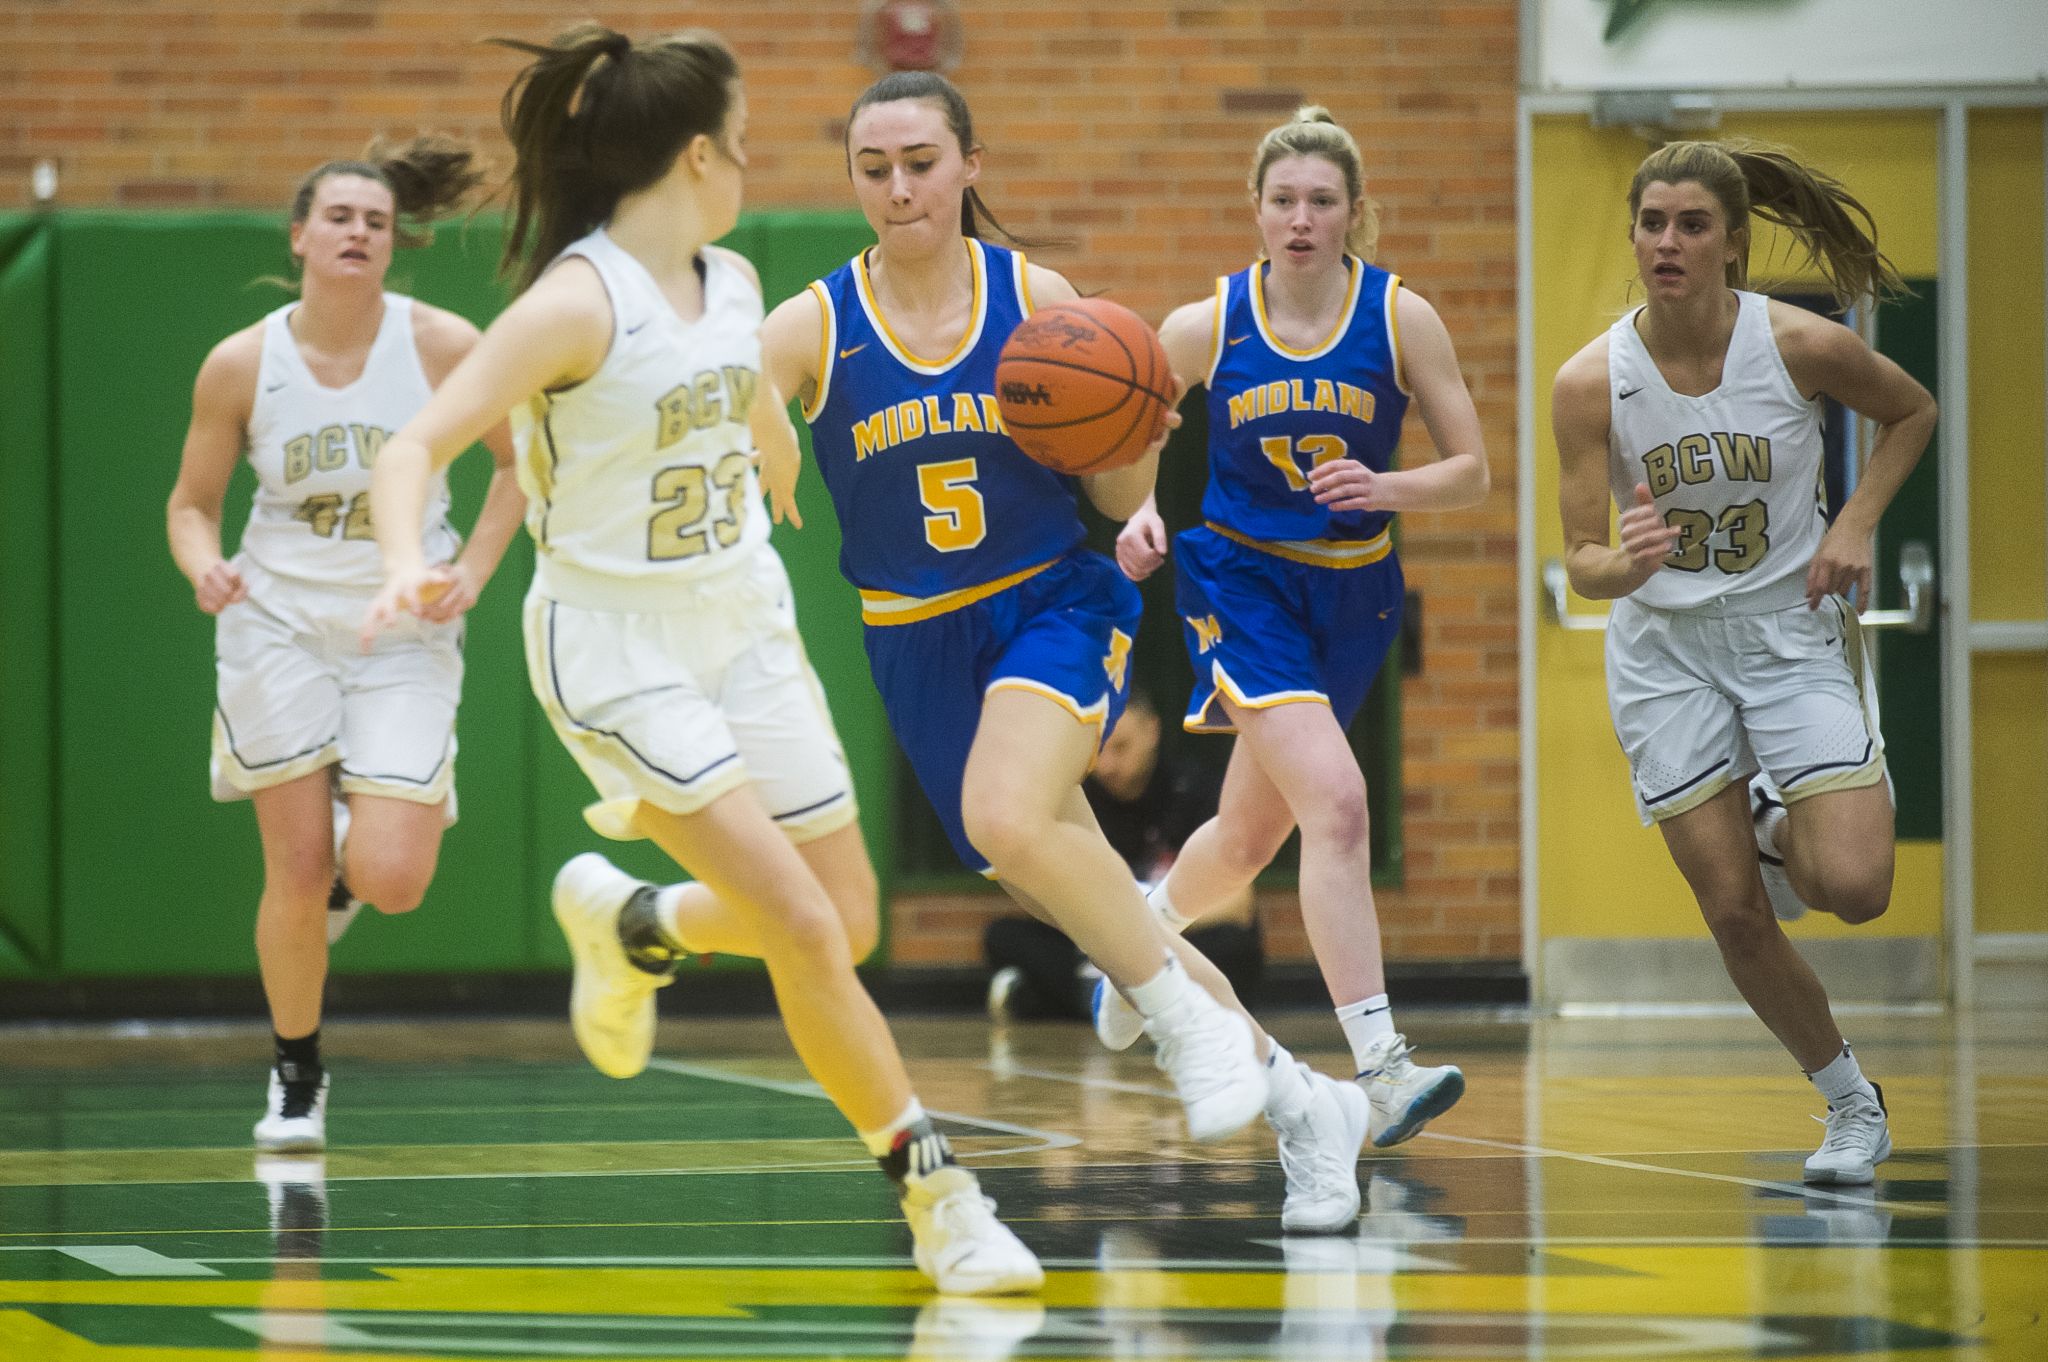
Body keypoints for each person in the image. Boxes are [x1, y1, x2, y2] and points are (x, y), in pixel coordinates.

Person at [361, 25, 1040, 1295]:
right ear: (693, 156)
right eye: (734, 141)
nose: (747, 158)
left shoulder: (727, 282)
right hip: (615, 646)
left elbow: (736, 389)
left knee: (844, 917)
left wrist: (771, 444)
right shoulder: (573, 303)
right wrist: (408, 558)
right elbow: (416, 450)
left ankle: (633, 923)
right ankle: (938, 1195)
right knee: (797, 924)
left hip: (743, 616)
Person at [759, 71, 1373, 1234]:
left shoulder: (1034, 297)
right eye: (873, 168)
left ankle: (1193, 1035)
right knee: (1096, 909)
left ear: (970, 166)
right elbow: (725, 406)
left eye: (921, 163)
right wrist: (752, 439)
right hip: (916, 645)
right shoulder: (811, 327)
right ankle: (1308, 1110)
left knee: (1003, 816)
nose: (899, 189)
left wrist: (1137, 437)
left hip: (1050, 604)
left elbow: (1111, 490)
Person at [1550, 138, 1933, 1185]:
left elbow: (1911, 411)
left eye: (1690, 224)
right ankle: (1848, 1103)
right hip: (1665, 652)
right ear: (1631, 235)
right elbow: (1580, 558)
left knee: (1854, 888)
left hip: (1782, 628)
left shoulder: (1798, 344)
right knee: (1729, 909)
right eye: (1650, 223)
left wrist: (1851, 524)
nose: (1666, 243)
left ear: (1731, 240)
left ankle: (1776, 815)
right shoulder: (1589, 382)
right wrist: (1615, 566)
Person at [1110, 108, 1487, 1151]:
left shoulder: (1400, 318)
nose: (1301, 217)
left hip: (1353, 594)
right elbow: (1131, 415)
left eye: (1322, 200)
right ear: (1256, 210)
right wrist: (1139, 505)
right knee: (1339, 805)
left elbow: (1472, 471)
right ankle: (1383, 1067)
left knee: (1246, 838)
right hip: (1239, 585)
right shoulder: (1210, 322)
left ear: (1354, 213)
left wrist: (1389, 482)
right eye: (1283, 199)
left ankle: (1135, 946)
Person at [166, 136, 525, 1154]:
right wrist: (203, 565)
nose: (358, 231)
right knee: (291, 861)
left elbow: (517, 466)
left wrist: (476, 571)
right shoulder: (242, 362)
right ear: (299, 237)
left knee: (394, 878)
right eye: (338, 217)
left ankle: (343, 873)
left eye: (374, 220)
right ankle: (296, 1072)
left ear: (391, 240)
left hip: (400, 620)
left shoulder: (444, 344)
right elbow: (191, 507)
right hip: (277, 620)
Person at [983, 691, 1262, 1021]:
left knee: (1236, 948)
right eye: (1100, 751)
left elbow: (1237, 904)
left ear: (1152, 732)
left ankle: (1086, 997)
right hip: (1099, 945)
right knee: (1005, 936)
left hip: (1174, 936)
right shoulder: (1080, 798)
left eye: (1121, 747)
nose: (1108, 766)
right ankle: (1140, 1001)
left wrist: (1141, 925)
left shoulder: (1195, 789)